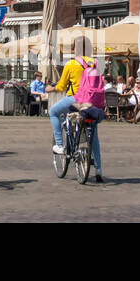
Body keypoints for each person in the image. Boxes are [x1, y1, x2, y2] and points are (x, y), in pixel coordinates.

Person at [46, 37, 105, 184]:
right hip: (92, 102)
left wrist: (50, 88)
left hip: (76, 99)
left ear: (75, 49)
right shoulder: (96, 63)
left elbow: (61, 86)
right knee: (94, 135)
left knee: (53, 112)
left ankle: (59, 145)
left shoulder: (71, 64)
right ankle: (98, 170)